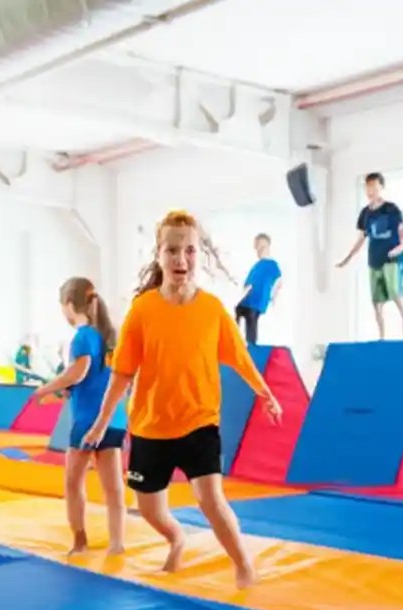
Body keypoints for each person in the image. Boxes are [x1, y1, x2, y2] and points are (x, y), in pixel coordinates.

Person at [84, 209, 282, 589]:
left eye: (189, 250)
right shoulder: (143, 310)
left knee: (210, 499)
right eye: (172, 250)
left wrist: (265, 393)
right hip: (151, 427)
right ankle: (176, 537)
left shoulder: (212, 309)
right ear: (159, 255)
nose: (181, 259)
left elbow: (240, 357)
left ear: (198, 255)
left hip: (199, 421)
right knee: (149, 508)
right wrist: (100, 424)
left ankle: (243, 566)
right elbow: (123, 372)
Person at [32, 278, 127, 555]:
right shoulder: (108, 337)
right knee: (113, 487)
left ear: (69, 305)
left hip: (87, 422)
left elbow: (79, 372)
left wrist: (45, 388)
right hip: (113, 420)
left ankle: (80, 541)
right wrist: (60, 392)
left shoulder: (83, 336)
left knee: (73, 483)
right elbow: (92, 380)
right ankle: (117, 543)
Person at [336, 172, 403, 339]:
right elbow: (361, 239)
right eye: (368, 187)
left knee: (395, 293)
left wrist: (400, 248)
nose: (371, 191)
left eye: (374, 187)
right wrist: (347, 259)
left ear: (381, 188)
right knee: (376, 302)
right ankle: (382, 336)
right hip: (374, 260)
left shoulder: (391, 209)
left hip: (391, 259)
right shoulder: (365, 214)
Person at [235, 233, 283, 345]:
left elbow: (279, 281)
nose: (259, 251)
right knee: (239, 310)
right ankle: (236, 337)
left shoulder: (272, 264)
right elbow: (248, 284)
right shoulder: (256, 266)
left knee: (251, 319)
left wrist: (274, 297)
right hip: (249, 299)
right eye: (257, 248)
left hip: (258, 300)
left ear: (268, 247)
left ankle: (252, 343)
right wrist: (242, 294)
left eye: (262, 247)